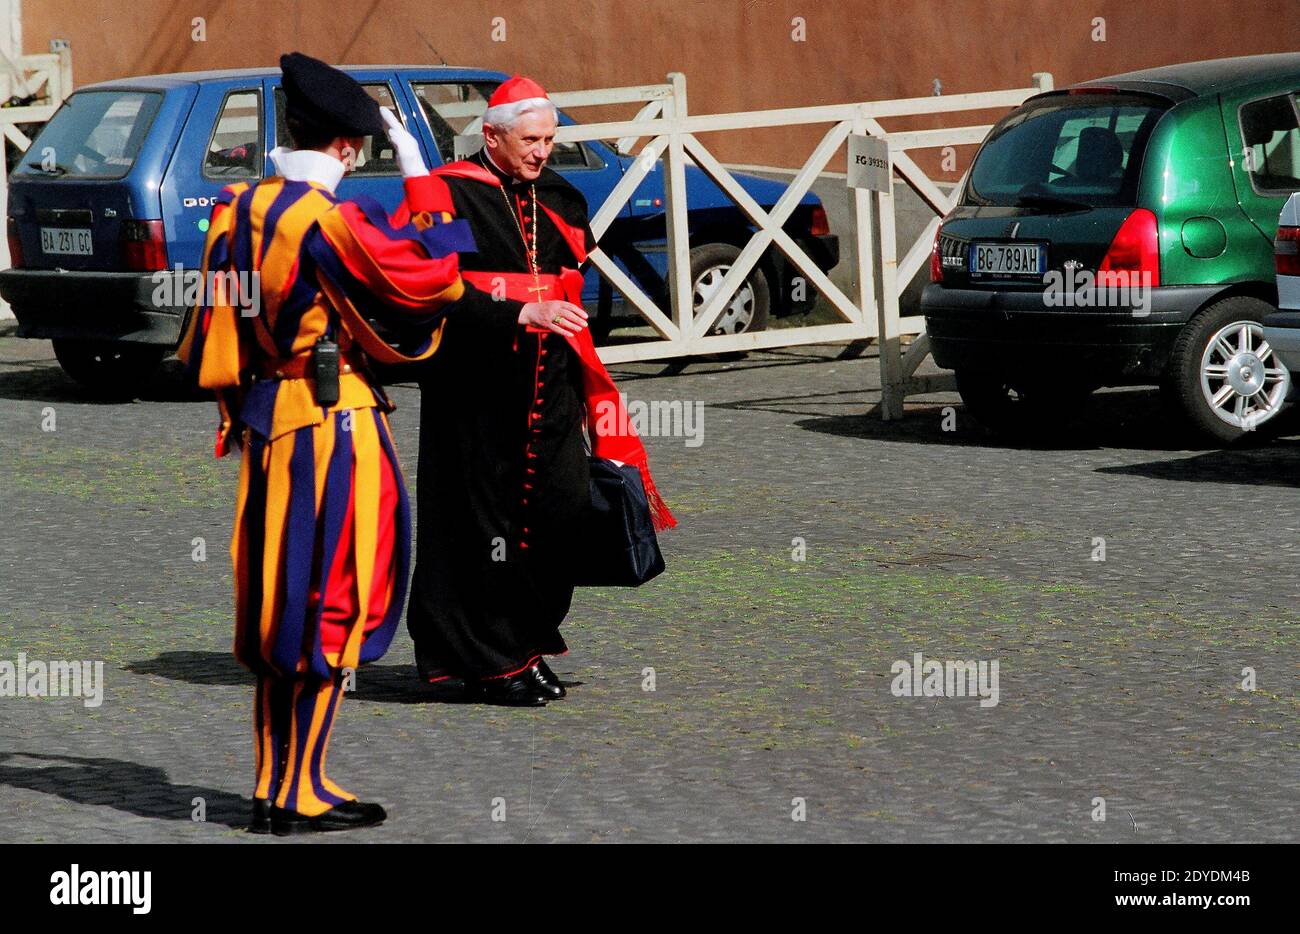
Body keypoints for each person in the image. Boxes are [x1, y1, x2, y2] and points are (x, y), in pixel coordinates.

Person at [177, 54, 580, 833]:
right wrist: (420, 172)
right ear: (348, 148)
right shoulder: (329, 222)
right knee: (330, 602)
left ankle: (278, 787)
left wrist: (244, 404)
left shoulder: (236, 209)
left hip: (265, 423)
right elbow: (432, 274)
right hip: (333, 427)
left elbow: (208, 339)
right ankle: (300, 791)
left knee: (279, 606)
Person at [404, 76, 675, 706]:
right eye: (530, 140)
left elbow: (570, 282)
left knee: (561, 508)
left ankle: (514, 638)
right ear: (492, 135)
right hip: (474, 385)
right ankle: (488, 659)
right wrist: (516, 313)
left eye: (550, 139)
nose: (541, 152)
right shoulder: (446, 196)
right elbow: (436, 289)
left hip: (549, 385)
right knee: (475, 525)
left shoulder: (559, 196)